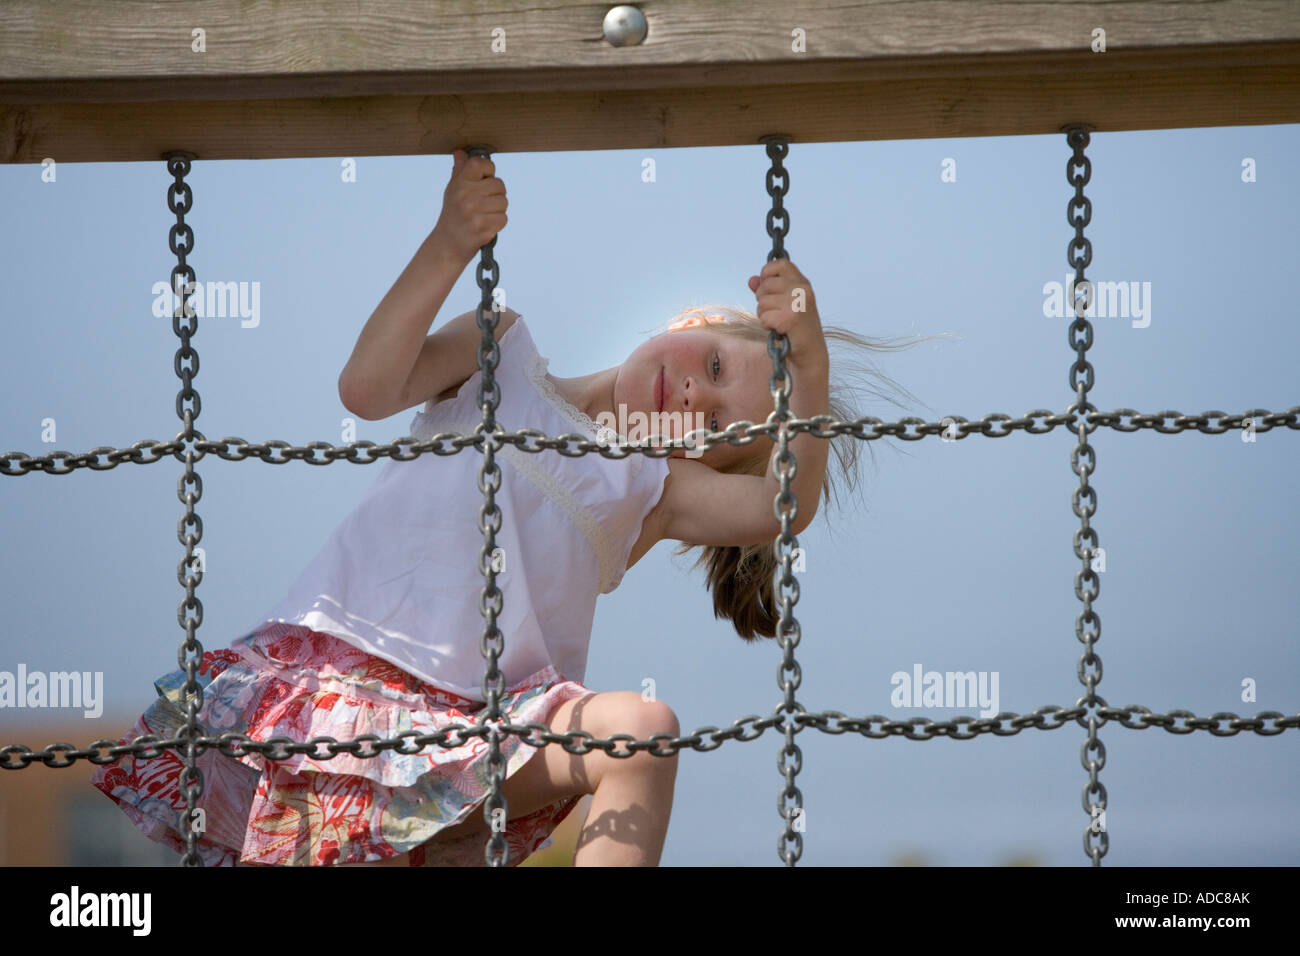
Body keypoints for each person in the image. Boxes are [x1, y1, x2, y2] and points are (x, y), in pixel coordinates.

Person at [89, 149, 943, 867]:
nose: (693, 396)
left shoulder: (649, 488)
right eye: (715, 366)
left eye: (715, 428)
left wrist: (810, 365)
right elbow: (367, 389)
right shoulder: (501, 351)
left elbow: (781, 507)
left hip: (484, 735)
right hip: (337, 684)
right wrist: (449, 243)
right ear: (696, 321)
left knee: (643, 733)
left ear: (695, 460)